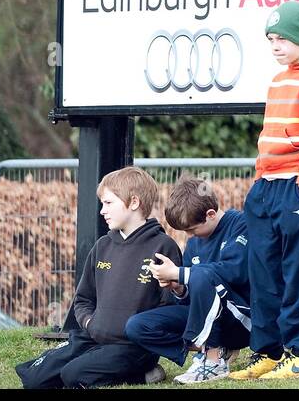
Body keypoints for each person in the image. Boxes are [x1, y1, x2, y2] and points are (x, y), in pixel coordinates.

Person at [229, 0, 299, 381]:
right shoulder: (278, 80)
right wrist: (260, 179)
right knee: (262, 270)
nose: (275, 45)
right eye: (270, 39)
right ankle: (269, 352)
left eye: (282, 38)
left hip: (298, 186)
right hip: (266, 187)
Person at [15, 166, 180, 388]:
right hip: (92, 337)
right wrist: (91, 323)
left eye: (109, 203)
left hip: (132, 348)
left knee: (74, 375)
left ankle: (143, 373)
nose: (102, 210)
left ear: (133, 202)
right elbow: (83, 300)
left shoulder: (163, 246)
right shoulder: (102, 246)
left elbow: (170, 309)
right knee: (35, 379)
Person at [124, 175, 251, 383]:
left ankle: (212, 362)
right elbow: (192, 300)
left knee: (201, 273)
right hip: (208, 321)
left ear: (210, 214)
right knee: (136, 326)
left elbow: (234, 271)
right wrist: (178, 288)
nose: (190, 235)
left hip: (240, 319)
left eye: (192, 229)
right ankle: (212, 350)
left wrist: (178, 273)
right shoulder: (194, 243)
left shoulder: (241, 224)